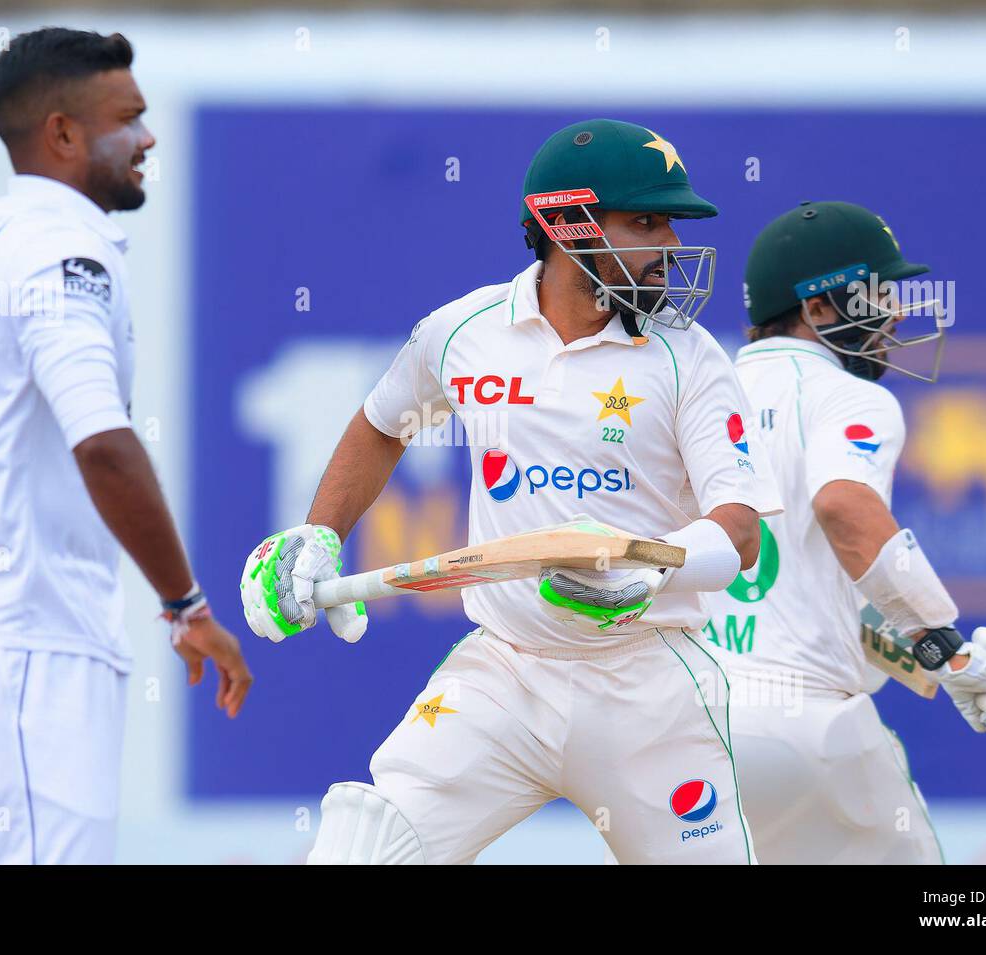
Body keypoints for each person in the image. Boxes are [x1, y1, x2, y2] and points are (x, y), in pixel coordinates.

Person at [241, 119, 783, 864]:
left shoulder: (690, 358)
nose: (672, 248)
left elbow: (740, 530)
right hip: (504, 672)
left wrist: (649, 564)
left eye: (671, 225)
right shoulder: (462, 331)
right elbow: (380, 425)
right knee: (360, 850)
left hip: (649, 683)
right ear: (568, 225)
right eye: (648, 222)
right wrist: (319, 532)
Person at [0, 27, 252, 864]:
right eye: (128, 118)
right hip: (28, 634)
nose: (149, 137)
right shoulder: (63, 251)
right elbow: (104, 444)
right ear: (62, 133)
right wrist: (187, 605)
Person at [703, 200, 986, 864]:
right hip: (810, 728)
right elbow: (843, 505)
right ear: (819, 310)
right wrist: (945, 645)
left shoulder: (699, 394)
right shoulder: (850, 396)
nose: (892, 312)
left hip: (680, 729)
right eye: (876, 292)